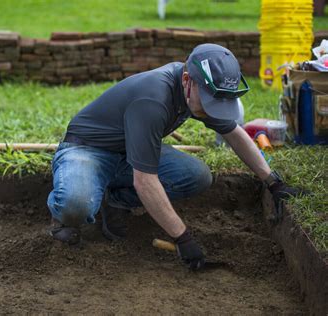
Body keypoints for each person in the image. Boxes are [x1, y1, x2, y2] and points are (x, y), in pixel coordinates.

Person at [46, 43, 303, 270]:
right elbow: (145, 181)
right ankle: (63, 218)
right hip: (86, 150)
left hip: (130, 151)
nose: (211, 110)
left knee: (196, 176)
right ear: (188, 80)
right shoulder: (154, 98)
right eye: (209, 102)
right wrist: (182, 238)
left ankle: (116, 201)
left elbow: (233, 133)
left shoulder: (199, 90)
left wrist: (273, 182)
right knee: (76, 204)